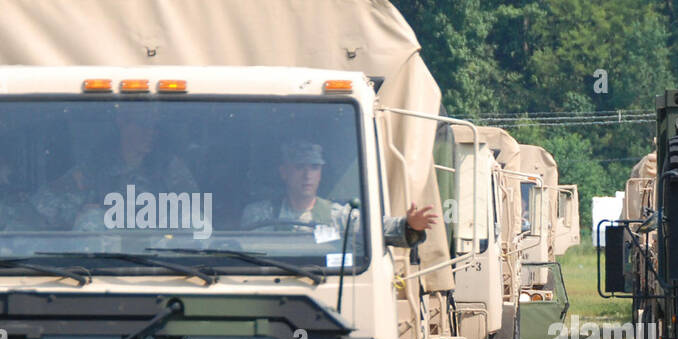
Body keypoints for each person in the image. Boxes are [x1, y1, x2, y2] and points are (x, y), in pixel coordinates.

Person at [242, 139, 439, 245]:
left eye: (314, 168)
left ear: (320, 173)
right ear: (284, 172)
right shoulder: (260, 214)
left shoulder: (337, 215)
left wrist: (409, 226)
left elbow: (375, 228)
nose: (307, 175)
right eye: (300, 167)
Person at [33, 108, 198, 229]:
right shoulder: (94, 168)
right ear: (122, 123)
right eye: (142, 124)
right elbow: (43, 206)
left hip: (163, 255)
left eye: (154, 127)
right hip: (101, 258)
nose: (150, 132)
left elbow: (194, 212)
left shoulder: (170, 168)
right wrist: (80, 213)